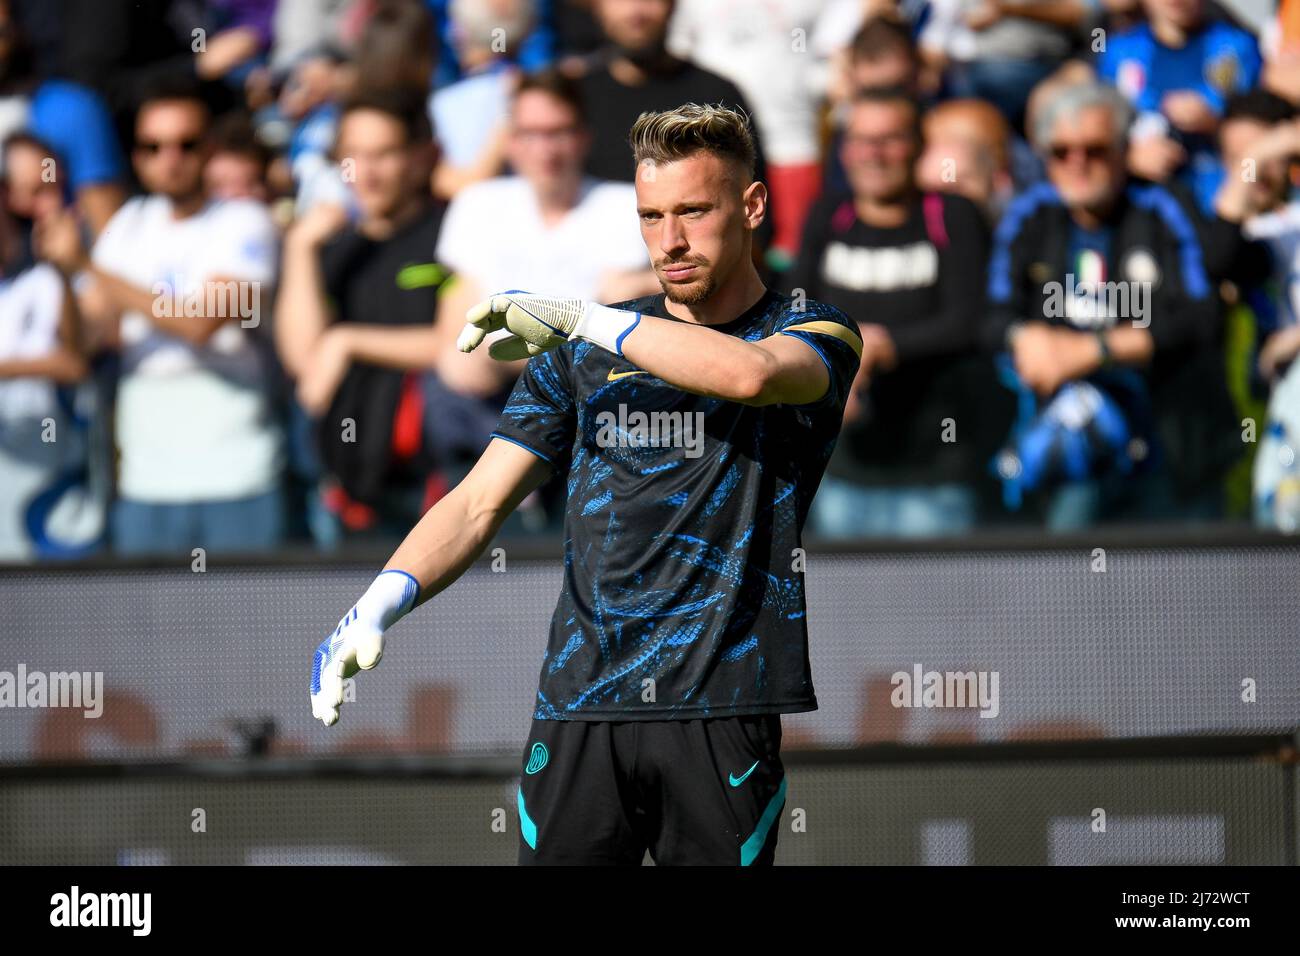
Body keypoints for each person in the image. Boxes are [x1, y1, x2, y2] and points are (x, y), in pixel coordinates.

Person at [308, 103, 863, 866]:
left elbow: (748, 374)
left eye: (694, 211)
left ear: (753, 206)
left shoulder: (809, 328)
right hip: (579, 701)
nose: (670, 240)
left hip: (723, 702)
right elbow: (478, 501)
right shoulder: (579, 352)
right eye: (651, 216)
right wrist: (382, 598)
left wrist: (580, 315)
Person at [39, 78, 284, 555]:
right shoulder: (126, 226)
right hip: (146, 478)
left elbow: (201, 321)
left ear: (208, 150)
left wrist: (86, 267)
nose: (169, 158)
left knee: (252, 628)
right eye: (153, 146)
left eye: (185, 144)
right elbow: (84, 343)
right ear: (137, 157)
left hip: (237, 469)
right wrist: (61, 275)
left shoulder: (244, 220)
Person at [987, 80, 1237, 527]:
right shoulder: (1030, 215)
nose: (1077, 164)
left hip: (1172, 447)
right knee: (1068, 587)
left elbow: (1202, 315)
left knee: (1183, 587)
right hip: (1072, 456)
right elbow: (990, 314)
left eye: (1095, 150)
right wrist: (1023, 335)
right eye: (1061, 151)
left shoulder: (1164, 207)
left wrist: (1098, 350)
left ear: (1124, 150)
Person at [790, 88, 994, 538]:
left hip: (935, 473)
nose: (874, 155)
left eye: (890, 140)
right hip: (840, 470)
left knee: (944, 608)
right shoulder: (828, 215)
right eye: (862, 140)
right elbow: (794, 312)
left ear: (919, 146)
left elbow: (968, 322)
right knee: (844, 610)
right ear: (844, 150)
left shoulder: (952, 215)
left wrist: (883, 347)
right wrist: (842, 355)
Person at [275, 88, 456, 536]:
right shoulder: (330, 247)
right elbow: (303, 361)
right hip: (344, 484)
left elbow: (457, 345)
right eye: (352, 156)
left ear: (421, 157)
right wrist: (299, 247)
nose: (366, 173)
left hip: (439, 481)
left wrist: (347, 341)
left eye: (384, 154)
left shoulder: (454, 233)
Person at [432, 69, 655, 404]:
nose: (545, 149)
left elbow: (618, 332)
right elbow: (454, 322)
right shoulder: (476, 204)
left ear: (583, 137)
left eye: (558, 133)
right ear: (510, 141)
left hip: (589, 391)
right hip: (488, 395)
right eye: (531, 133)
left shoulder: (625, 207)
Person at [575, 0, 764, 184]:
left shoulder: (717, 97)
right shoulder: (573, 100)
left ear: (673, 4)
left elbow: (751, 202)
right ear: (597, 5)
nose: (635, 12)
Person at [1098, 0, 1260, 211]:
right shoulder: (1118, 51)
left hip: (1218, 198)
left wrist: (1217, 125)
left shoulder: (1238, 47)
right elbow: (1100, 130)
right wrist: (1129, 158)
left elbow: (1261, 132)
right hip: (1140, 204)